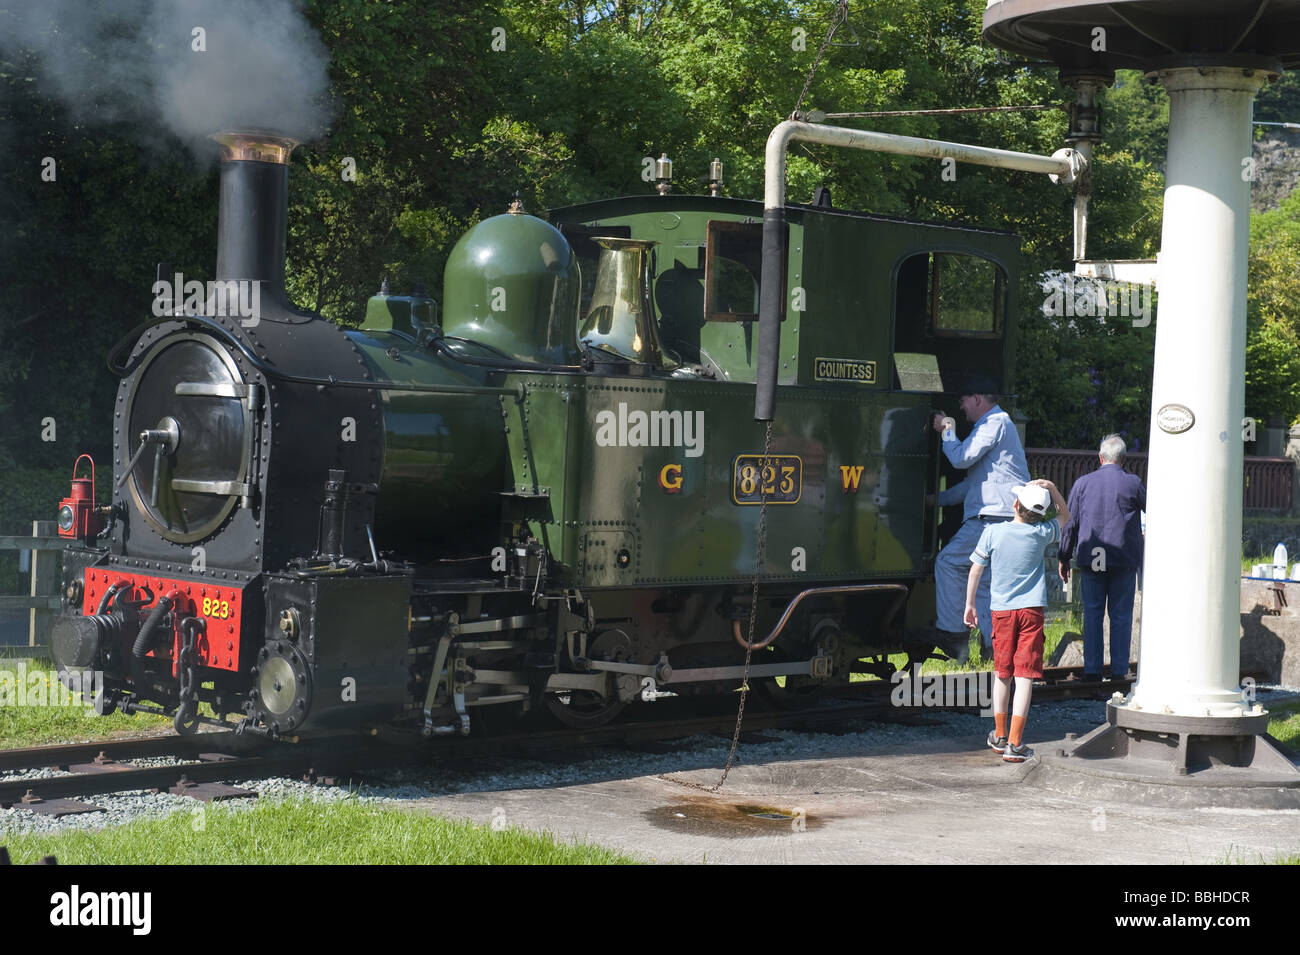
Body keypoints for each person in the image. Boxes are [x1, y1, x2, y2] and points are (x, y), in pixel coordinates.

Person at [926, 379, 1030, 662]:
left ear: (977, 399)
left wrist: (947, 430)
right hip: (1002, 516)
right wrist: (936, 500)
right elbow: (971, 486)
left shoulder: (994, 423)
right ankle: (991, 647)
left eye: (963, 401)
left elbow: (961, 458)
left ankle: (952, 634)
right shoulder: (998, 427)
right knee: (985, 583)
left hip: (991, 518)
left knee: (947, 563)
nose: (960, 407)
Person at [965, 479, 1068, 763]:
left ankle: (998, 735)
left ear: (1015, 505)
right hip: (1031, 611)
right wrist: (1052, 488)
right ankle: (1015, 742)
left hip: (1002, 613)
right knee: (1025, 677)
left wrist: (970, 604)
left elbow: (975, 569)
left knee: (1003, 673)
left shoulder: (993, 533)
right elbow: (1065, 514)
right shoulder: (1041, 533)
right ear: (1039, 514)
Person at [1058, 434, 1146, 680]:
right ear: (1123, 458)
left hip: (1092, 557)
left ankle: (1092, 670)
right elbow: (1155, 512)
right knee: (1120, 615)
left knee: (1093, 613)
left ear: (1100, 457)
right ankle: (1119, 670)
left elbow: (1071, 524)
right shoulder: (1133, 483)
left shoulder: (1083, 484)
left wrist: (1064, 556)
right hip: (1123, 558)